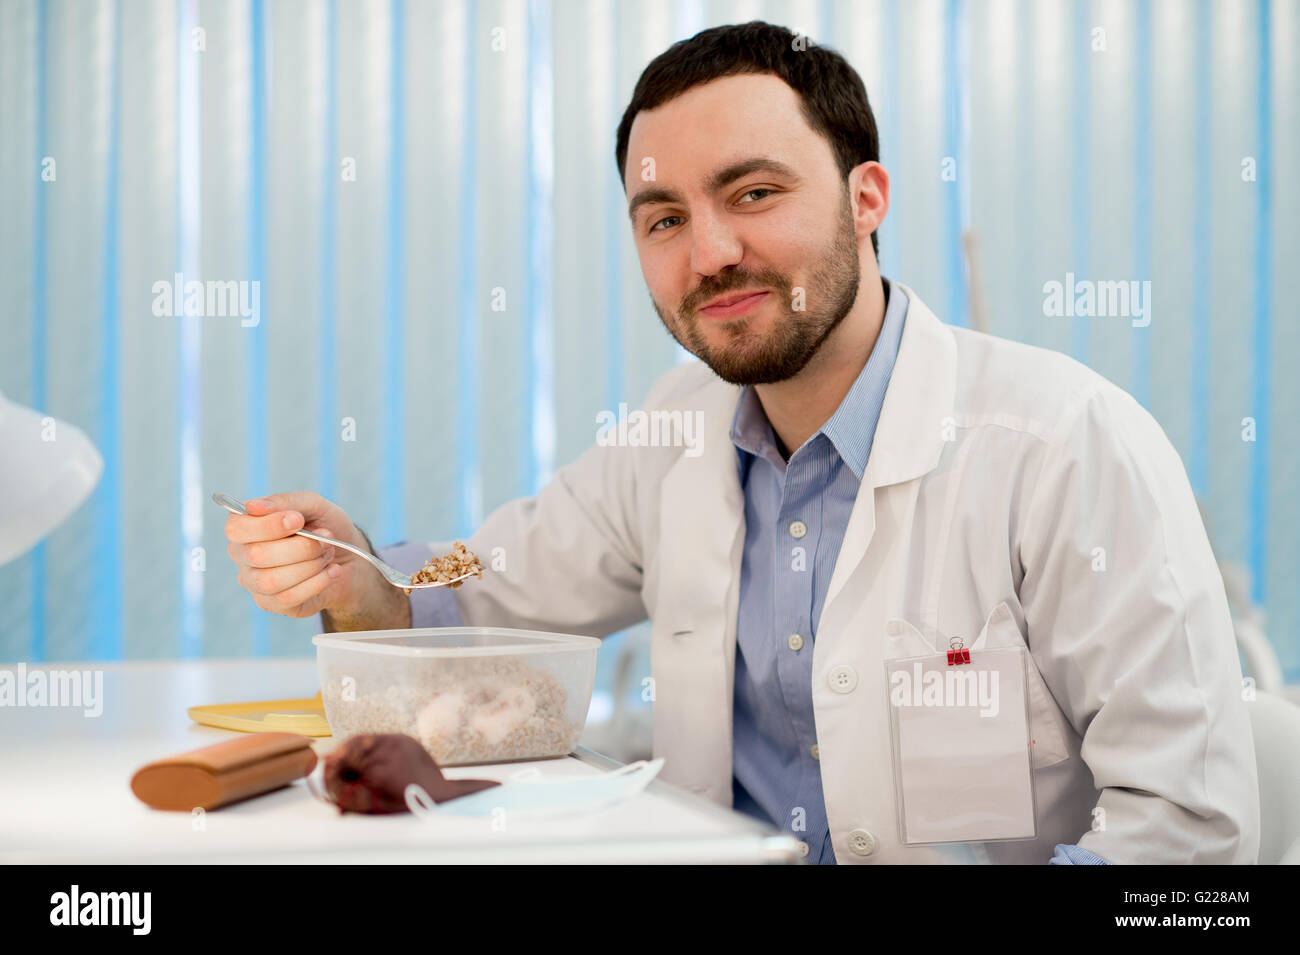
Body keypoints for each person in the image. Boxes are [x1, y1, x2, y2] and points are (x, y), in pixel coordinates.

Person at [224, 21, 1258, 865]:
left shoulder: (1064, 444)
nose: (710, 253)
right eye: (664, 218)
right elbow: (473, 600)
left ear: (866, 198)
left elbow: (1189, 831)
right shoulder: (671, 433)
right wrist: (352, 570)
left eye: (754, 193)